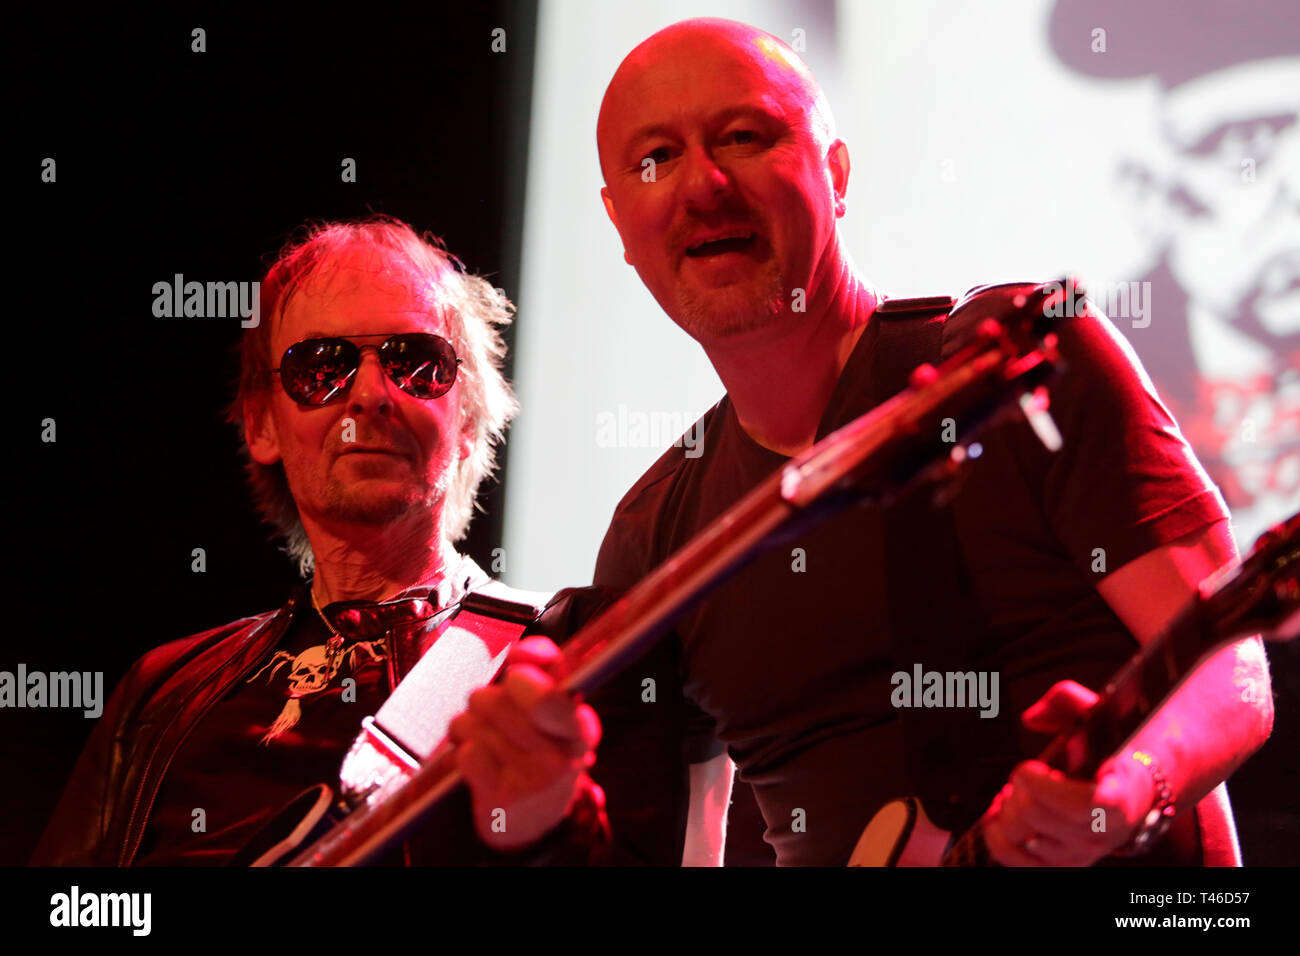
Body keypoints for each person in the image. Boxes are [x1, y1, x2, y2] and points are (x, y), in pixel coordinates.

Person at [454, 19, 1276, 866]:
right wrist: (529, 816)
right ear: (620, 224)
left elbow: (1232, 672)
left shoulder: (1017, 364)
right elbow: (689, 850)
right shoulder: (655, 537)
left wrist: (1132, 785)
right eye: (655, 159)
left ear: (836, 174)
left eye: (743, 137)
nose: (702, 186)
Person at [30, 216, 612, 866]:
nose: (369, 394)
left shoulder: (578, 650)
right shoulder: (166, 690)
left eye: (415, 363)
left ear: (469, 420)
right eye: (321, 367)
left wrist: (550, 830)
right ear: (261, 425)